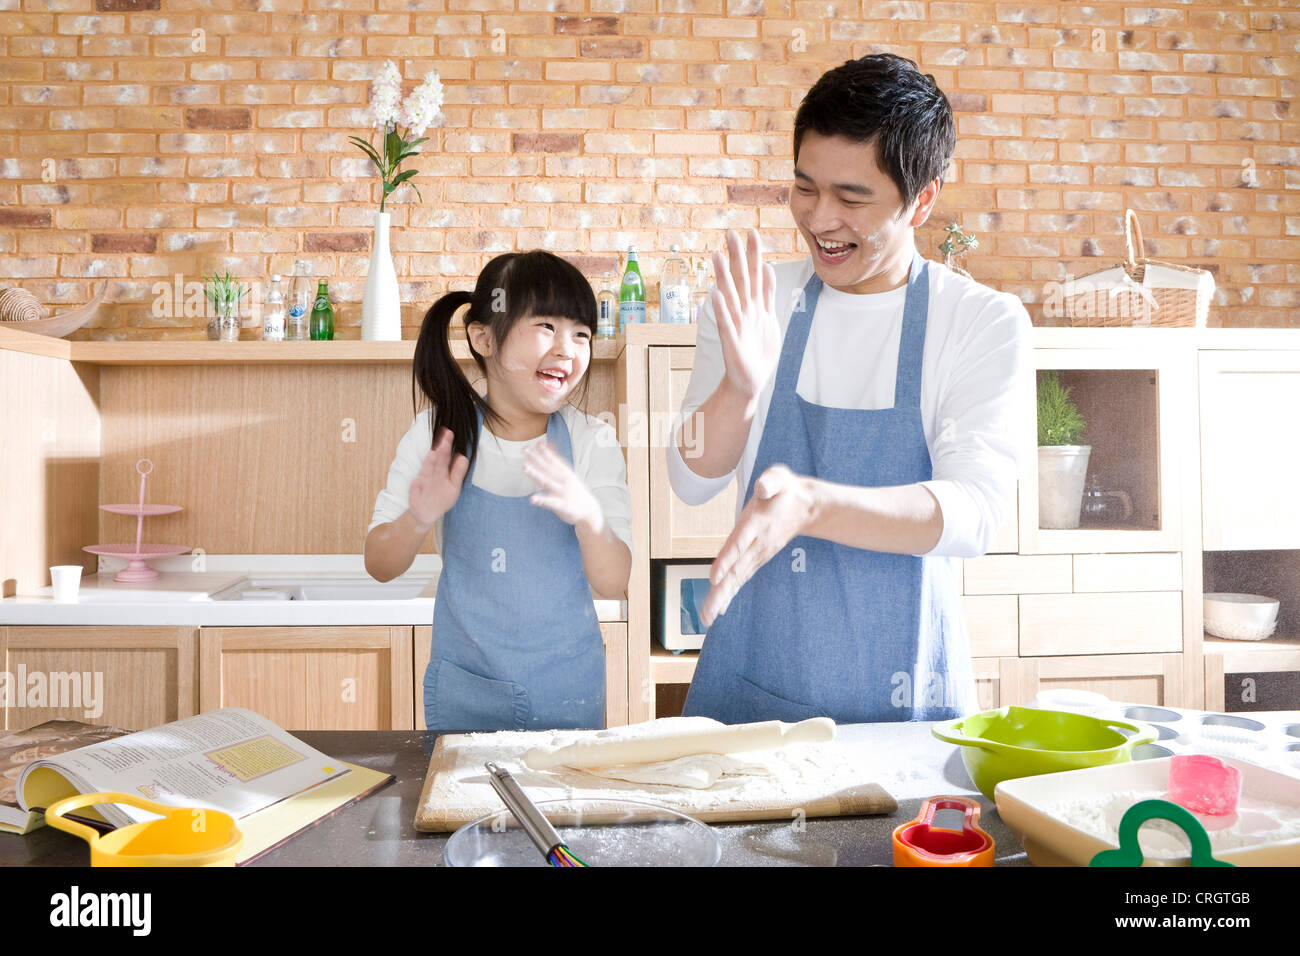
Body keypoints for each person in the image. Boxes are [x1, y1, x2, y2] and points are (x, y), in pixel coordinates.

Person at [670, 54, 1034, 724]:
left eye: (852, 198)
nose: (819, 219)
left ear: (921, 200)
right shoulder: (760, 299)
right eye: (805, 188)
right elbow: (690, 478)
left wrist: (811, 505)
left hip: (907, 705)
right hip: (755, 690)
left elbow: (975, 512)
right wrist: (739, 390)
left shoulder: (978, 321)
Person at [364, 251, 633, 732]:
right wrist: (418, 518)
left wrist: (589, 519)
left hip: (566, 696)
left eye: (581, 333)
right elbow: (381, 564)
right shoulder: (435, 435)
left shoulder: (594, 440)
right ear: (483, 337)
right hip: (467, 695)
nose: (567, 349)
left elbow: (614, 580)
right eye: (546, 326)